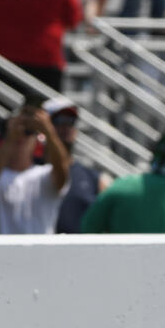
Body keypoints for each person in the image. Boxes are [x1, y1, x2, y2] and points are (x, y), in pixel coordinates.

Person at [0, 102, 71, 234]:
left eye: (27, 132)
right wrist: (11, 137)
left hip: (42, 255)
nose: (21, 136)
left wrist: (48, 131)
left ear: (37, 141)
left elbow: (62, 171)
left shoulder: (45, 175)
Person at [44, 97, 111, 233]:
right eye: (59, 120)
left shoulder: (95, 179)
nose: (66, 127)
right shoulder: (29, 173)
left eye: (71, 121)